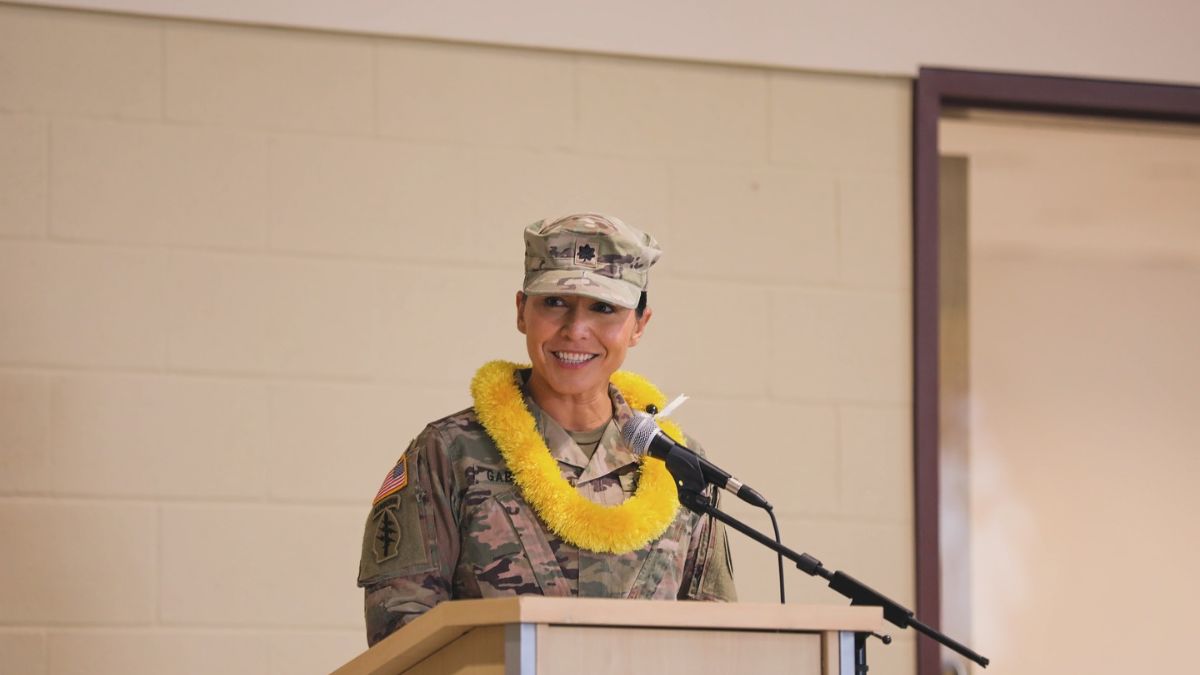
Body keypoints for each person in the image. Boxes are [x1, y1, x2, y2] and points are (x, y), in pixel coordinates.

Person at [357, 213, 736, 646]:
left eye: (604, 308)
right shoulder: (448, 452)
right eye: (554, 302)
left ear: (640, 325)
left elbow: (715, 634)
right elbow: (400, 633)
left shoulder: (677, 464)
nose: (576, 330)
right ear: (522, 310)